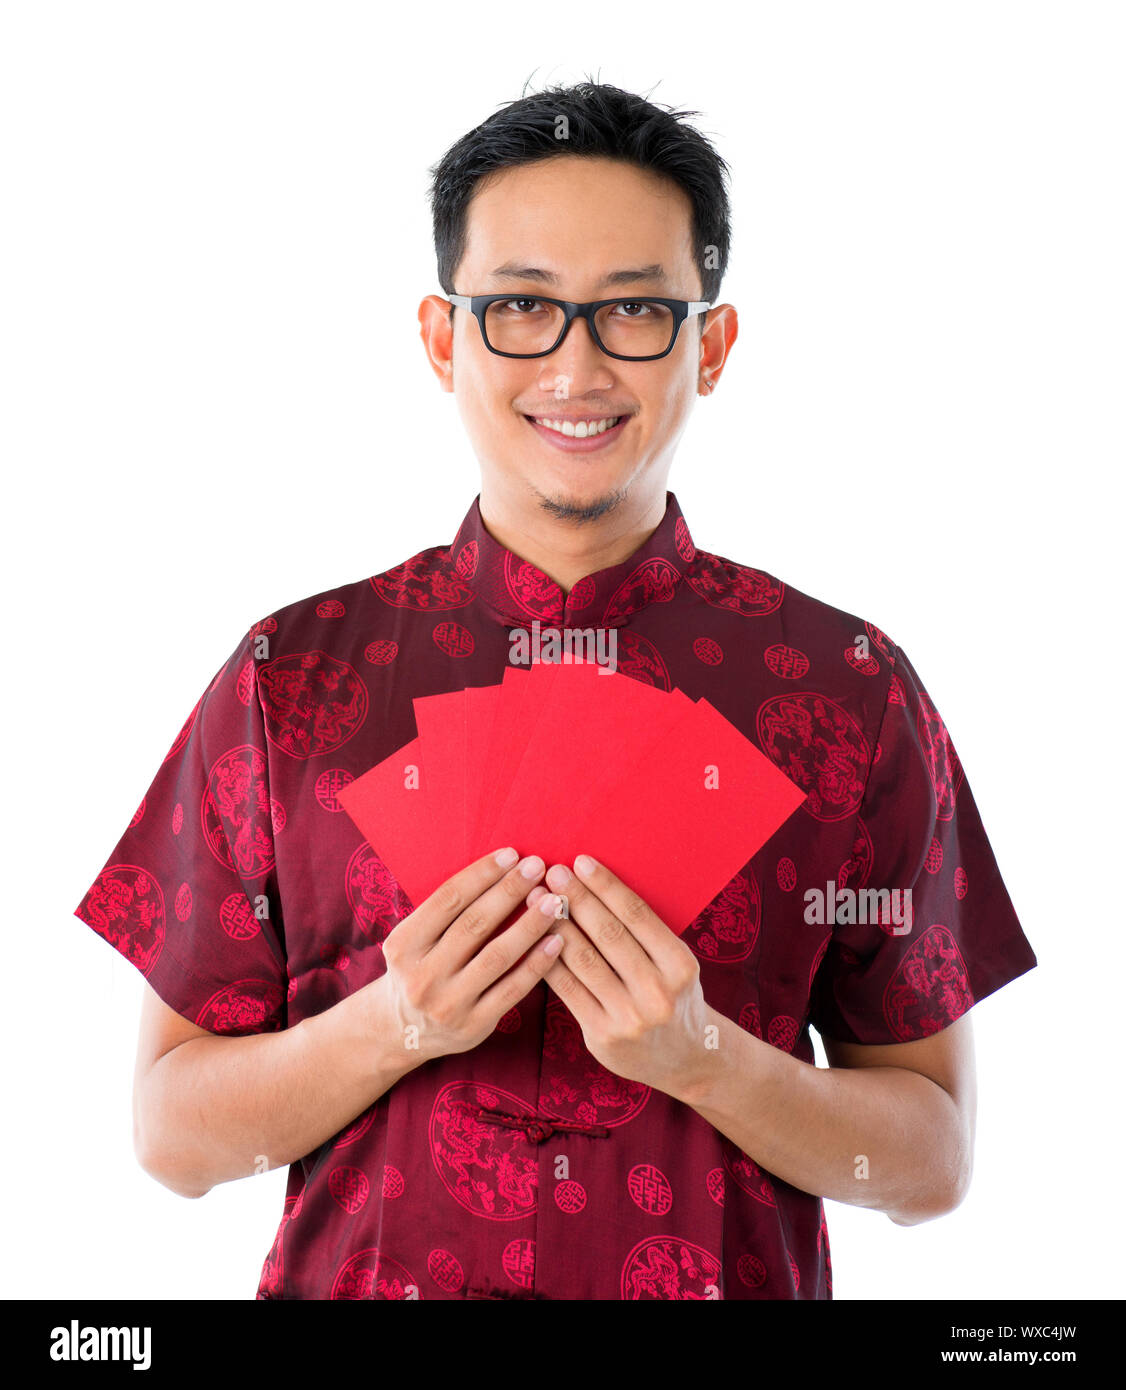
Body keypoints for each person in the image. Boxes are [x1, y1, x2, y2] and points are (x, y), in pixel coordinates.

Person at [73, 80, 1037, 1300]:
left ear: (711, 344)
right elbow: (171, 1139)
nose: (575, 364)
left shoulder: (847, 693)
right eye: (521, 306)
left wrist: (702, 1059)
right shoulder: (290, 681)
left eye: (636, 307)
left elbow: (929, 1162)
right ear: (443, 338)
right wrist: (394, 1023)